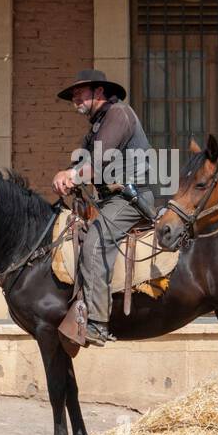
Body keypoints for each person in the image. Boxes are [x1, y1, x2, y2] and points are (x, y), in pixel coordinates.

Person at [51, 69, 154, 346]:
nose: (74, 98)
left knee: (95, 240)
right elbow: (82, 164)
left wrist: (71, 176)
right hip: (109, 200)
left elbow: (96, 164)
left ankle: (97, 323)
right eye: (72, 94)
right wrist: (69, 177)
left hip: (130, 200)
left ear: (98, 92)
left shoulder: (118, 114)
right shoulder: (96, 126)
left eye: (79, 92)